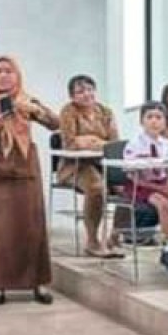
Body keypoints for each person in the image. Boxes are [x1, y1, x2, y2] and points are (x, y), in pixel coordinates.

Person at [0, 56, 60, 305]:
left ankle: (37, 284)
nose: (3, 75)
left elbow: (55, 124)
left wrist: (37, 111)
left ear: (17, 75)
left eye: (8, 71)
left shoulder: (26, 100)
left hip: (24, 168)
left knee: (30, 226)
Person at [56, 74, 121, 258]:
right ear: (72, 96)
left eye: (90, 89)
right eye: (80, 91)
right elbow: (70, 142)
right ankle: (92, 241)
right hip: (76, 166)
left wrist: (90, 141)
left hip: (104, 163)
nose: (86, 94)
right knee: (96, 187)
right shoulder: (68, 111)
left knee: (129, 186)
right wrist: (96, 142)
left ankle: (115, 235)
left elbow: (114, 143)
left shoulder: (106, 112)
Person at [122, 103, 168, 274]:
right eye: (149, 117)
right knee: (162, 203)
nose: (154, 121)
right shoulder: (134, 144)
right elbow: (132, 175)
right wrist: (160, 189)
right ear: (141, 121)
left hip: (162, 183)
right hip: (141, 186)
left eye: (158, 117)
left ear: (165, 121)